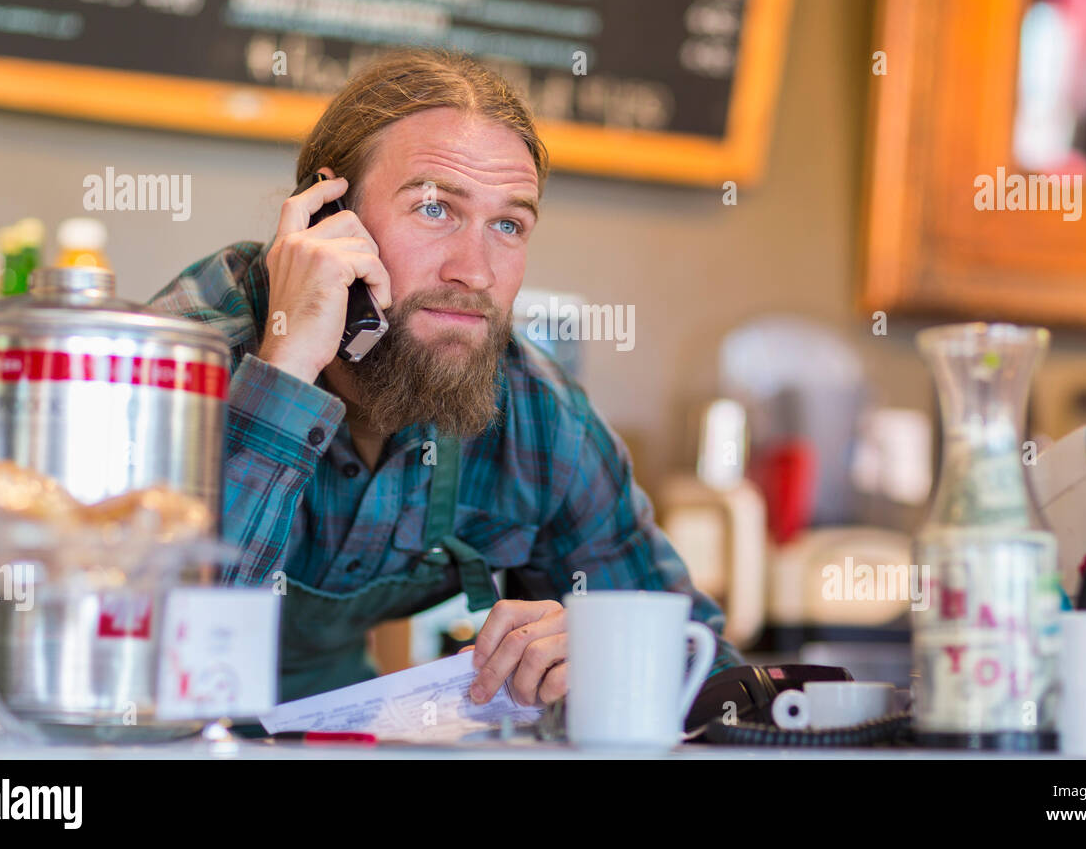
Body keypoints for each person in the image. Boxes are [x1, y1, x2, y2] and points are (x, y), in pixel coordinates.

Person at [149, 46, 742, 707]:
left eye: (509, 224)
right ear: (325, 217)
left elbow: (712, 668)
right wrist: (287, 366)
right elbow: (133, 638)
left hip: (326, 732)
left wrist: (611, 653)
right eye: (435, 209)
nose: (477, 272)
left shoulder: (536, 416)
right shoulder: (168, 359)